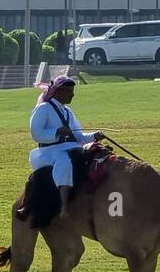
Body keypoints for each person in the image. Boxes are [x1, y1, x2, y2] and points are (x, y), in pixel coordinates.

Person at [27, 75, 103, 208]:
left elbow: (78, 136)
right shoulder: (44, 108)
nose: (73, 95)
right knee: (64, 160)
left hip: (70, 147)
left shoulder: (68, 112)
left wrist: (94, 136)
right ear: (59, 91)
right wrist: (57, 132)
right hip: (48, 151)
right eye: (69, 91)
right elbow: (36, 133)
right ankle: (63, 203)